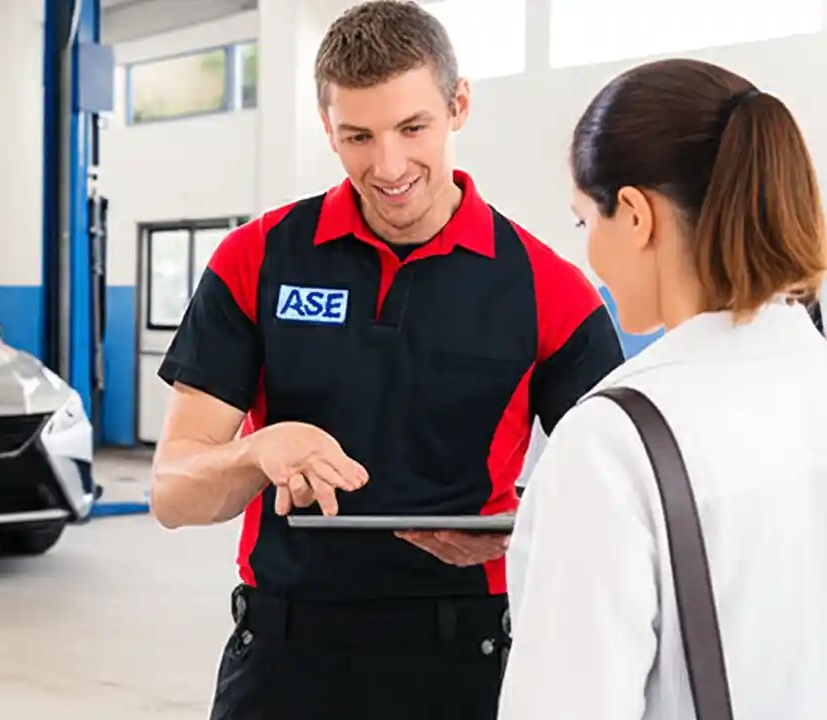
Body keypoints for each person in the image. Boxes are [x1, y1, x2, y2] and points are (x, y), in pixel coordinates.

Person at [148, 2, 624, 718]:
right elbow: (174, 493)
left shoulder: (549, 289)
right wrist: (257, 453)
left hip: (460, 658)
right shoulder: (257, 260)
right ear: (327, 128)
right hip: (283, 652)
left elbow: (620, 507)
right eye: (358, 137)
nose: (389, 166)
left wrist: (515, 527)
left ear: (457, 105)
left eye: (412, 128)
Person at [498, 58, 827, 719]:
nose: (588, 258)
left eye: (584, 224)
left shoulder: (612, 439)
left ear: (635, 214)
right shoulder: (810, 376)